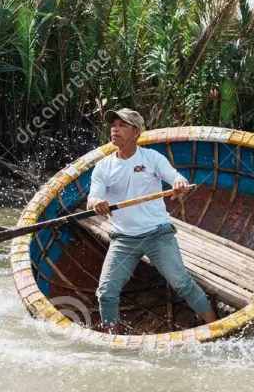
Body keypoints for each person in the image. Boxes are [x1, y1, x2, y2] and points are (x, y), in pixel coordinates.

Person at [87, 108, 215, 334]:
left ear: (136, 132)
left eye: (121, 125)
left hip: (157, 234)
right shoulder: (103, 166)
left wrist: (178, 185)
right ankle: (112, 339)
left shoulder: (152, 158)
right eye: (113, 125)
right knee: (106, 292)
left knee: (182, 284)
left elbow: (177, 178)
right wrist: (97, 204)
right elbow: (92, 200)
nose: (115, 129)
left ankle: (214, 326)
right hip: (123, 238)